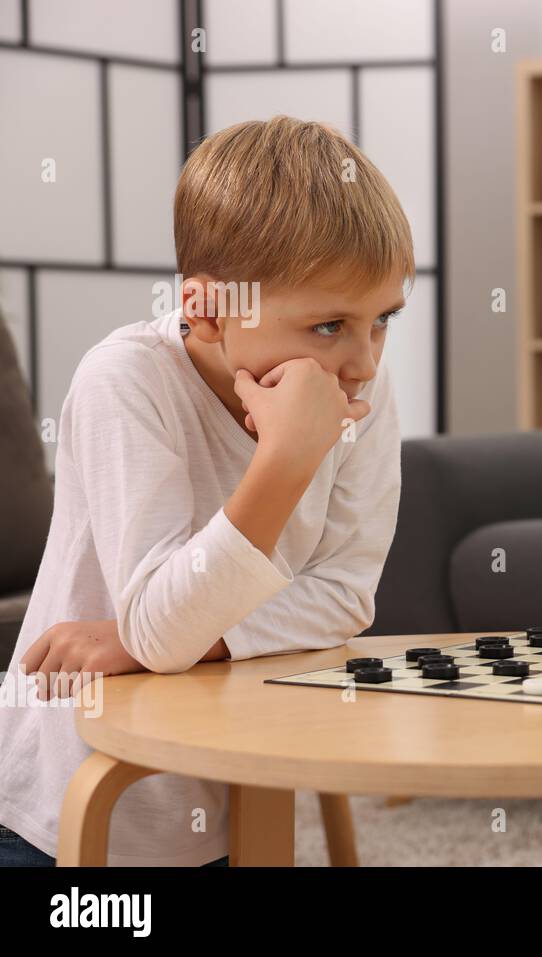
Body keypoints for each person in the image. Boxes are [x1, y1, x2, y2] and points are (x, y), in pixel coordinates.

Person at [0, 116, 408, 866]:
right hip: (65, 808)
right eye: (328, 325)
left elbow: (348, 596)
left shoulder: (359, 396)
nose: (364, 363)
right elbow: (166, 628)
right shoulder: (125, 381)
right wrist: (285, 460)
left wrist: (150, 640)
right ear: (208, 309)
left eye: (381, 320)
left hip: (229, 787)